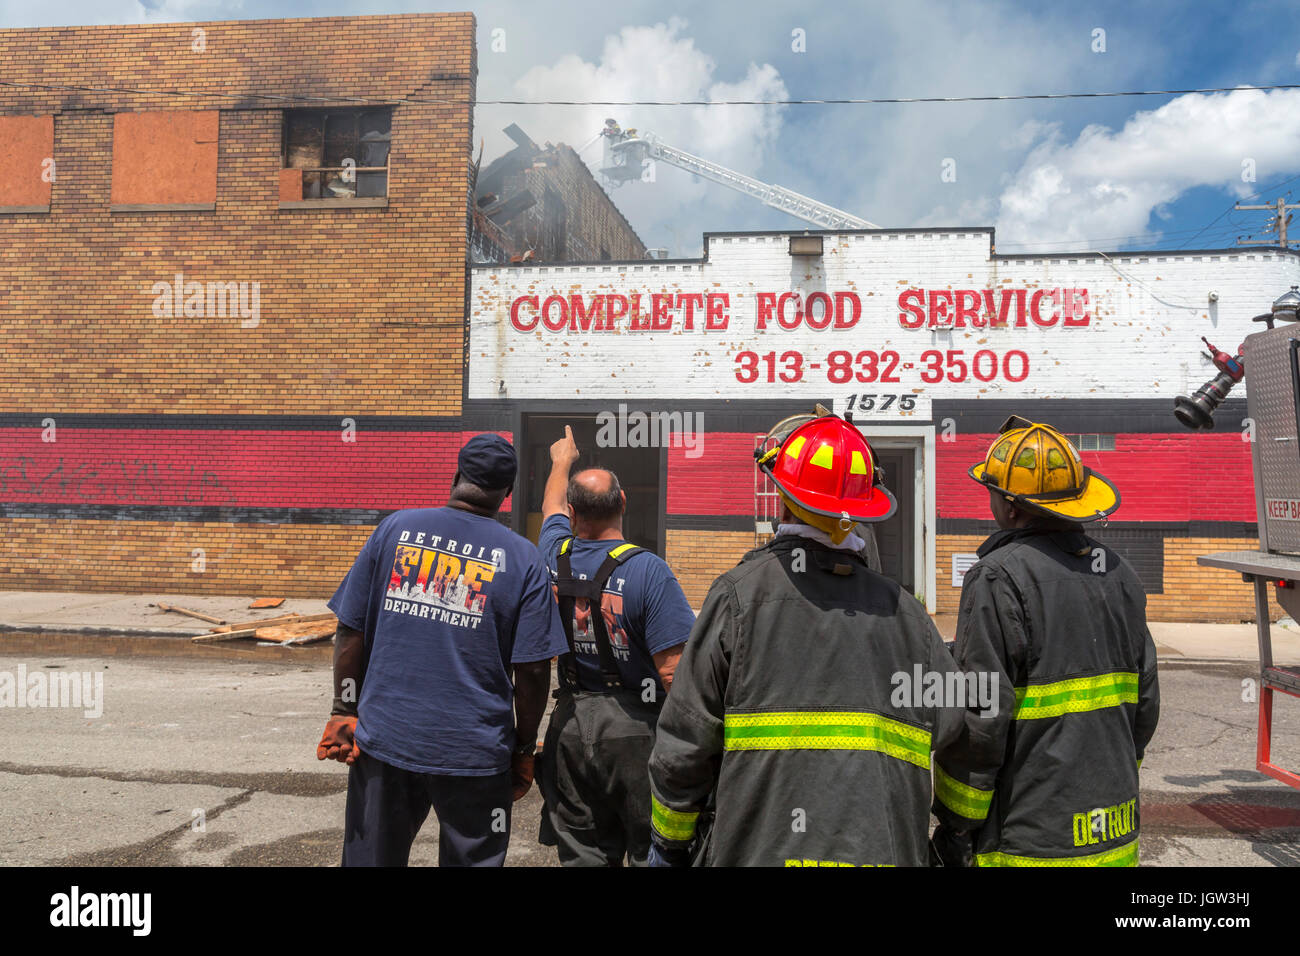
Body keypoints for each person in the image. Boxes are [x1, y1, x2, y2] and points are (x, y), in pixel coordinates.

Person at [646, 412, 962, 866]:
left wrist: (672, 844)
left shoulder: (737, 598)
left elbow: (683, 744)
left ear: (782, 496)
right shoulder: (908, 615)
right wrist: (953, 837)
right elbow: (961, 732)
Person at [315, 433, 568, 867]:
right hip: (475, 752)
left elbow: (351, 630)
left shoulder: (394, 529)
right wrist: (523, 748)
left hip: (385, 740)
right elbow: (532, 671)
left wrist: (344, 707)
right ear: (507, 494)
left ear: (457, 477)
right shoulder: (524, 559)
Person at [930, 416, 1159, 867]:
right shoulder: (1119, 572)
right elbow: (1145, 702)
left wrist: (957, 822)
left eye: (993, 492)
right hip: (1114, 835)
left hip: (1029, 842)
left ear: (1012, 507)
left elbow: (982, 716)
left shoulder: (996, 577)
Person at [535, 426, 696, 866]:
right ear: (623, 503)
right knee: (651, 850)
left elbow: (549, 506)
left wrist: (561, 460)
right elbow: (672, 672)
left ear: (572, 512)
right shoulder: (649, 571)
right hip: (635, 730)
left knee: (584, 853)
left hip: (568, 724)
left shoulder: (553, 554)